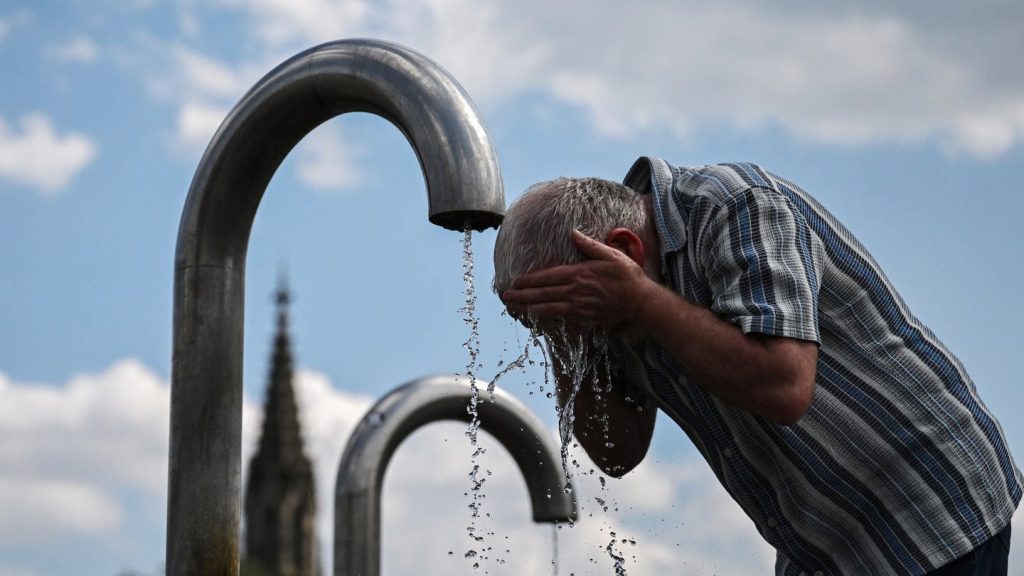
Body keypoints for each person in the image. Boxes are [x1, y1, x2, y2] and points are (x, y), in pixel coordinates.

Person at [494, 157, 1021, 576]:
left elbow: (783, 385)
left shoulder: (735, 207)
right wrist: (563, 338)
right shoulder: (601, 299)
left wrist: (642, 303)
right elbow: (616, 452)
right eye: (543, 324)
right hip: (820, 547)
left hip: (926, 505)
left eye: (569, 317)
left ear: (624, 253)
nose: (576, 335)